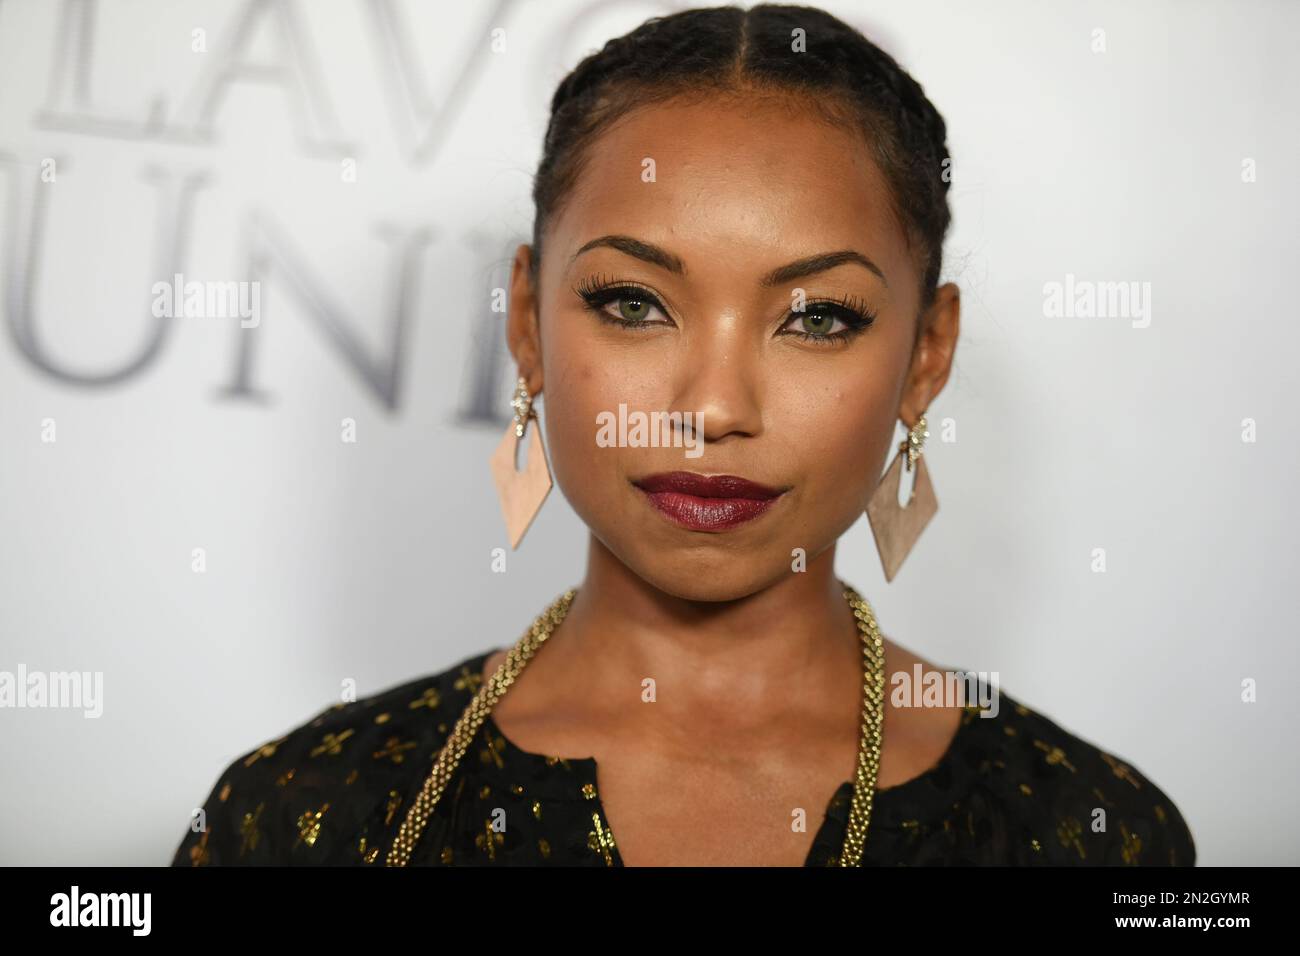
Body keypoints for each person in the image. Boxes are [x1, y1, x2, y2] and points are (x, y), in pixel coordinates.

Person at [171, 3, 1195, 867]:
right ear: (526, 322)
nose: (712, 406)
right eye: (632, 302)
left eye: (817, 316)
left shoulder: (1085, 833)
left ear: (925, 357)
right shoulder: (306, 811)